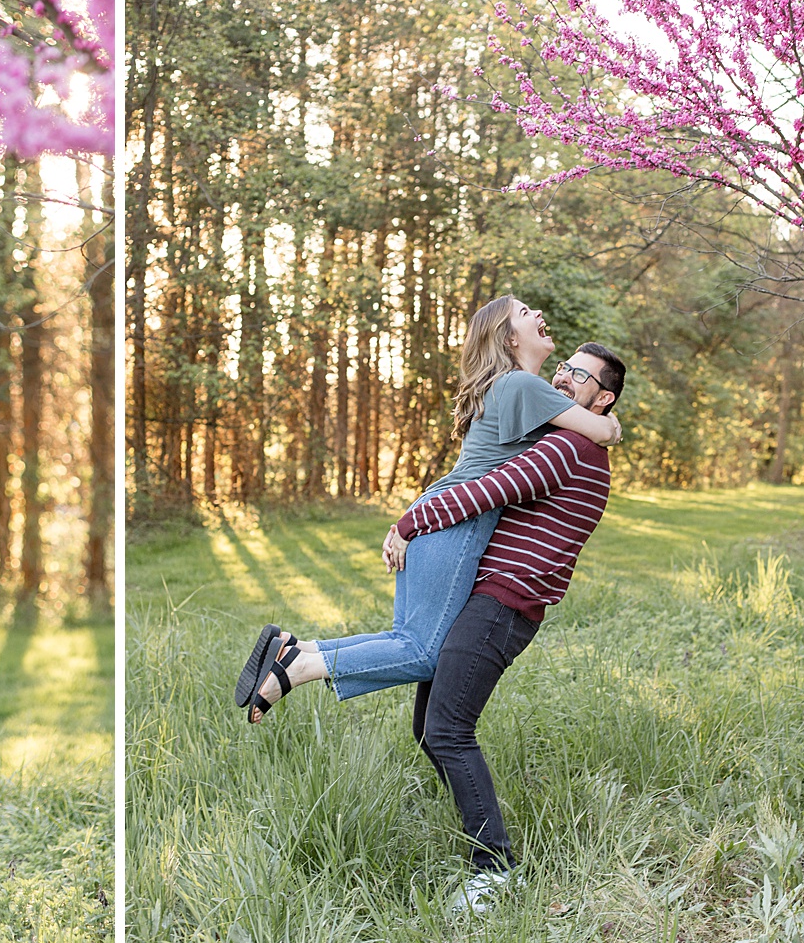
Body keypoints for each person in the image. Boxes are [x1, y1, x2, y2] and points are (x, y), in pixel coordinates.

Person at [235, 296, 620, 723]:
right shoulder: (523, 386)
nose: (539, 315)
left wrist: (410, 522)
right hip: (457, 522)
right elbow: (602, 429)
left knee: (408, 638)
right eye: (526, 313)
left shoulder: (515, 388)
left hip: (438, 514)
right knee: (423, 652)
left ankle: (297, 650)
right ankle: (302, 668)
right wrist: (612, 419)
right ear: (510, 337)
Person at [384, 343, 624, 912]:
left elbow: (487, 491)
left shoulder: (571, 445)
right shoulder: (571, 437)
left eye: (579, 376)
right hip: (485, 599)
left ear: (604, 396)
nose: (563, 379)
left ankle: (494, 867)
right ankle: (478, 824)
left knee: (447, 729)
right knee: (428, 727)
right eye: (563, 367)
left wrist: (408, 522)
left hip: (504, 603)